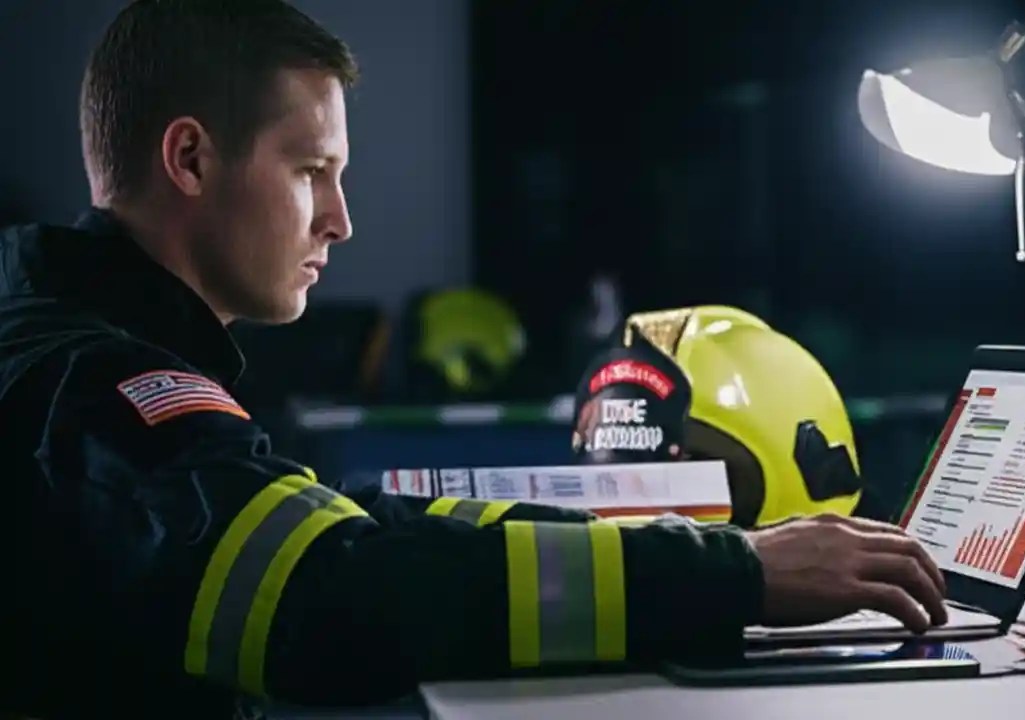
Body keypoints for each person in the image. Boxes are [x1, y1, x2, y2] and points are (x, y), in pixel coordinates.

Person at [0, 2, 948, 719]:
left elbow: (347, 526)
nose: (341, 218)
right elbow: (331, 589)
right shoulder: (94, 389)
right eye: (310, 171)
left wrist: (715, 547)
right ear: (192, 159)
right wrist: (736, 581)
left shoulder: (72, 342)